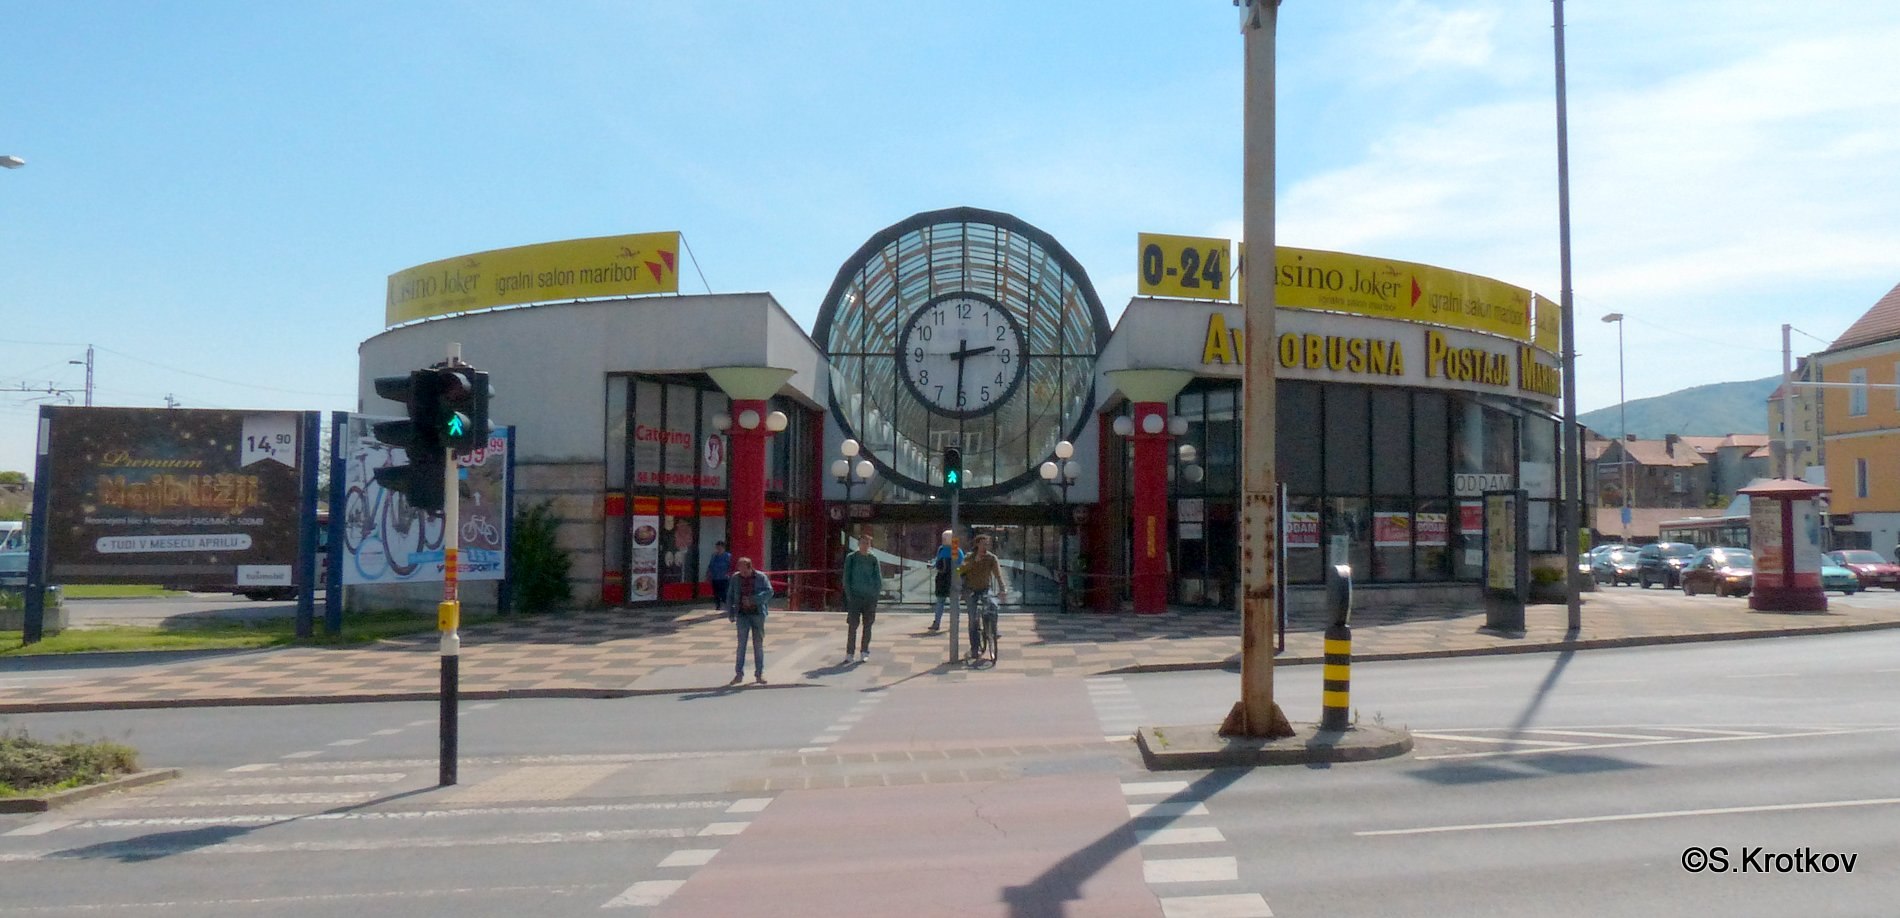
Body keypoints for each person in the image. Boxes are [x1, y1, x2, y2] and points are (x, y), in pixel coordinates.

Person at [723, 556, 772, 685]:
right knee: (741, 645)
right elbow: (730, 595)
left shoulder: (761, 577)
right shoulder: (735, 578)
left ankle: (759, 674)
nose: (742, 573)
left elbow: (769, 592)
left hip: (758, 614)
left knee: (758, 645)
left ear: (750, 567)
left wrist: (754, 599)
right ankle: (739, 674)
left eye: (744, 570)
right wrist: (730, 612)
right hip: (742, 615)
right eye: (739, 570)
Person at [958, 533, 1007, 659]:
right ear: (977, 544)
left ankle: (993, 629)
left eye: (987, 544)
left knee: (993, 605)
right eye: (983, 544)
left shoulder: (991, 558)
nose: (986, 546)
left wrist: (1002, 588)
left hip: (985, 589)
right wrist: (974, 562)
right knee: (973, 619)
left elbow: (998, 575)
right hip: (971, 590)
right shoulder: (970, 556)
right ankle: (974, 647)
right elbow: (959, 570)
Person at [841, 532, 882, 664]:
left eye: (867, 543)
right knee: (852, 625)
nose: (865, 546)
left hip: (869, 598)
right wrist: (849, 594)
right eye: (863, 543)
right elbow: (846, 577)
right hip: (855, 597)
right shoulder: (851, 558)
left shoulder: (873, 559)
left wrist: (875, 595)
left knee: (868, 625)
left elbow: (878, 578)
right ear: (858, 544)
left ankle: (864, 651)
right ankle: (849, 652)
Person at [927, 529, 962, 632]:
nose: (944, 540)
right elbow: (937, 560)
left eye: (946, 538)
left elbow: (961, 564)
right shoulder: (943, 549)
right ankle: (938, 622)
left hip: (949, 578)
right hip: (944, 578)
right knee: (943, 601)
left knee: (951, 602)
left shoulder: (952, 549)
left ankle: (951, 623)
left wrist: (958, 573)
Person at [706, 540, 732, 608]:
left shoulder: (728, 556)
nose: (718, 549)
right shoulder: (714, 555)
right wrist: (708, 574)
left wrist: (729, 573)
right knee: (716, 592)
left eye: (719, 547)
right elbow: (710, 565)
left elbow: (731, 566)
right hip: (715, 577)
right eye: (717, 547)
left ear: (723, 547)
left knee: (724, 592)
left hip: (724, 577)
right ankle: (718, 605)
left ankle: (727, 605)